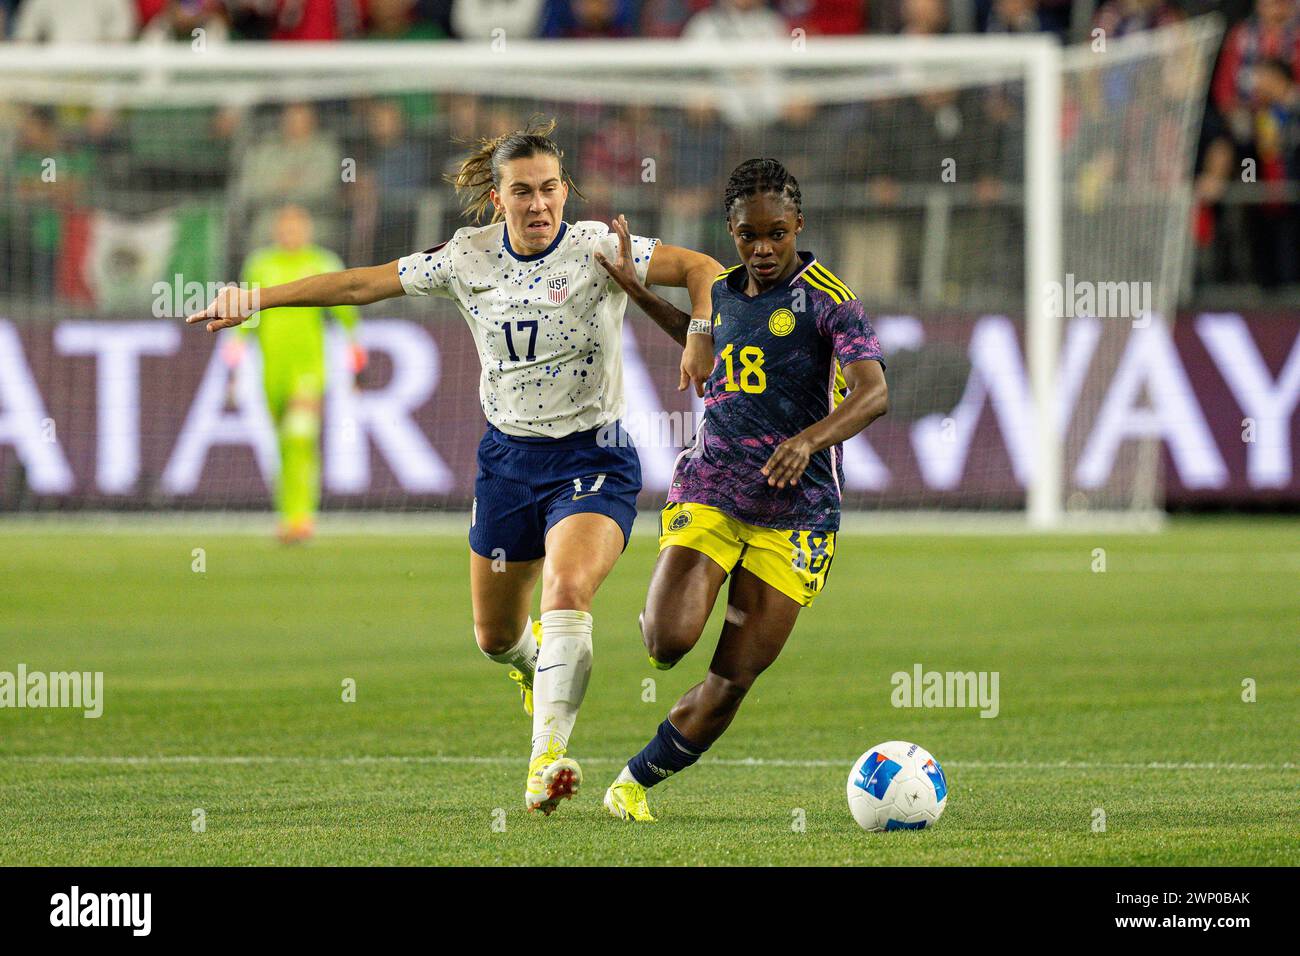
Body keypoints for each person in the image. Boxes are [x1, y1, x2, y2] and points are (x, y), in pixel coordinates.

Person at [186, 119, 720, 815]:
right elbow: (360, 285)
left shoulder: (599, 246)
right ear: (498, 199)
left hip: (595, 457)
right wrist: (256, 298)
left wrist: (700, 331)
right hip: (508, 463)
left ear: (565, 191)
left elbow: (703, 268)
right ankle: (531, 668)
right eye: (522, 191)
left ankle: (546, 760)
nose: (538, 204)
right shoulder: (466, 257)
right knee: (495, 637)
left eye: (549, 188)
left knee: (566, 589)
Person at [594, 158, 889, 822]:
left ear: (798, 225)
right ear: (731, 231)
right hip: (714, 490)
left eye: (776, 234)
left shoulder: (830, 300)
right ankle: (666, 606)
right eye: (749, 236)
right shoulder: (719, 294)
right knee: (666, 643)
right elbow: (715, 340)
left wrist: (809, 440)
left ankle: (632, 783)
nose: (762, 249)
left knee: (731, 681)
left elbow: (873, 394)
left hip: (799, 513)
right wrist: (638, 294)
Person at [222, 204, 364, 543]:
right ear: (276, 231)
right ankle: (287, 516)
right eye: (285, 227)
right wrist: (233, 367)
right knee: (283, 444)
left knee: (300, 437)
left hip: (308, 370)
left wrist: (358, 367)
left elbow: (347, 317)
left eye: (297, 227)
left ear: (307, 230)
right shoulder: (260, 264)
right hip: (272, 371)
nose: (291, 233)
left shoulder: (323, 263)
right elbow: (244, 321)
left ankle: (301, 519)